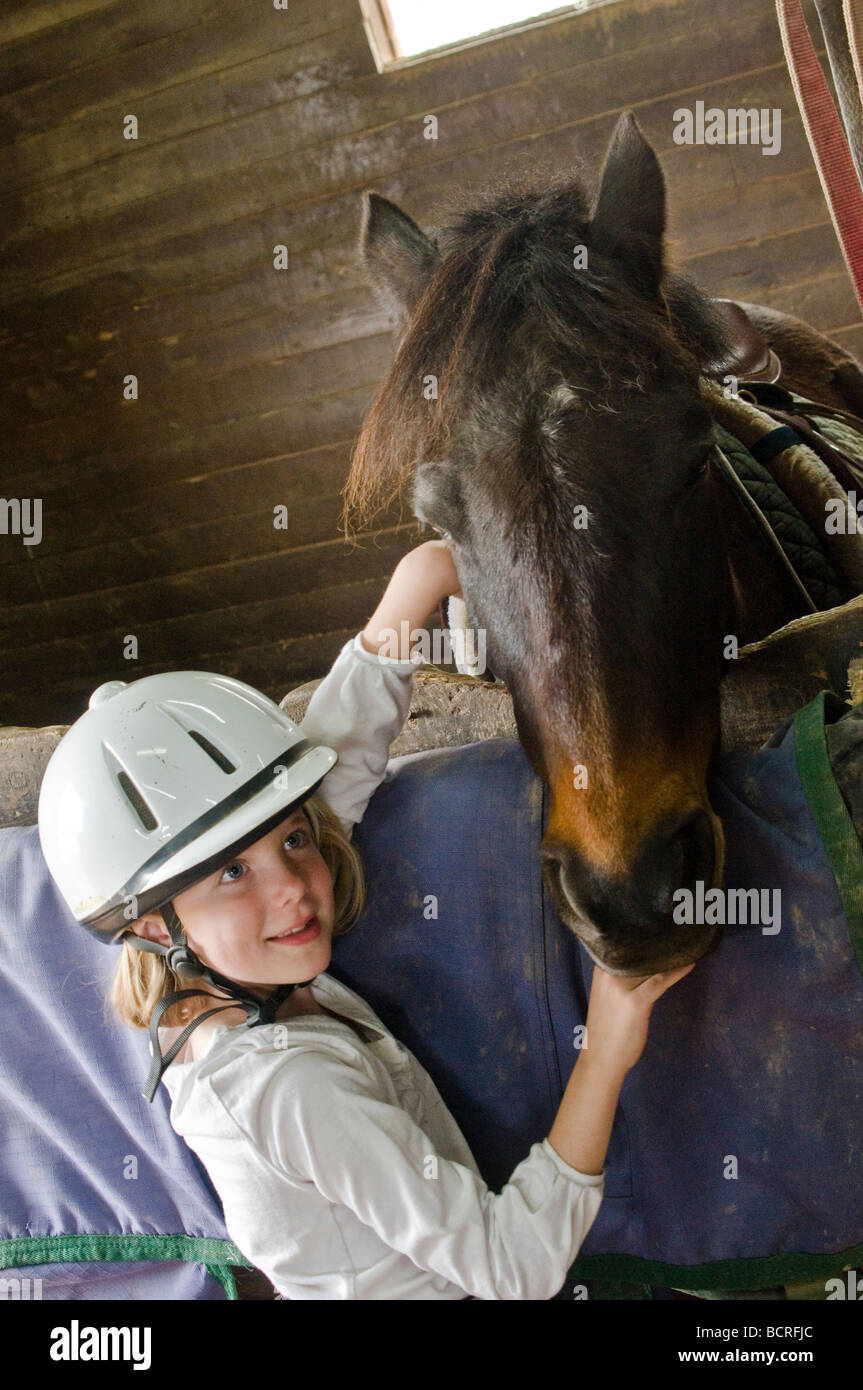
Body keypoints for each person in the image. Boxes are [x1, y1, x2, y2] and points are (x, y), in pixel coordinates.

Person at [37, 539, 694, 1301]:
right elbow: (514, 1267)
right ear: (153, 926)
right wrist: (606, 1051)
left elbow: (326, 773)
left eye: (292, 842)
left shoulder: (233, 982)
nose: (293, 888)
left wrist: (407, 600)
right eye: (230, 873)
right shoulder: (287, 1086)